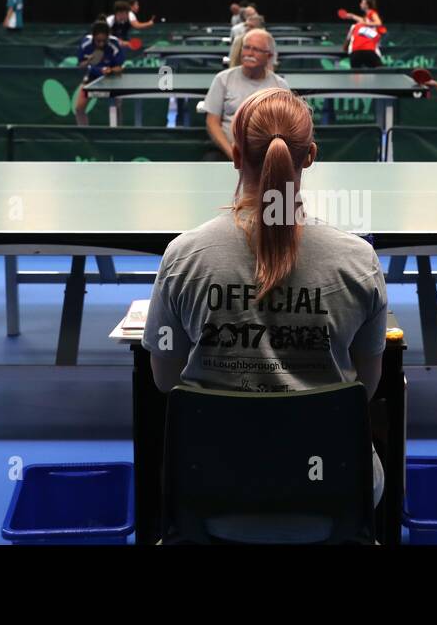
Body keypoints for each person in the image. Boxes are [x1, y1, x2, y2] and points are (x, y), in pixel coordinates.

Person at [142, 87, 389, 519]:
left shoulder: (183, 256)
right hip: (332, 484)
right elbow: (365, 387)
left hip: (212, 483)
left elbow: (165, 379)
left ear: (236, 156)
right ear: (309, 156)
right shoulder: (359, 260)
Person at [204, 29, 289, 158]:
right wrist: (232, 153)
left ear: (269, 56)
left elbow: (285, 127)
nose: (249, 53)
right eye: (246, 48)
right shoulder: (223, 79)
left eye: (256, 50)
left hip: (266, 155)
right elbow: (212, 122)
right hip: (226, 152)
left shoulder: (280, 86)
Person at [75, 20, 125, 126]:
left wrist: (110, 70)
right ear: (93, 36)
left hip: (112, 77)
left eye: (104, 40)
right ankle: (84, 135)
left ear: (108, 36)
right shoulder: (86, 44)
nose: (101, 43)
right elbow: (80, 65)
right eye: (98, 41)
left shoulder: (114, 44)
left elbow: (119, 68)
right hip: (92, 76)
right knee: (79, 108)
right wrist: (88, 61)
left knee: (116, 106)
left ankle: (117, 133)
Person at [340, 0, 385, 68]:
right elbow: (362, 20)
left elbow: (378, 23)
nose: (360, 4)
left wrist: (364, 24)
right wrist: (351, 16)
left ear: (367, 5)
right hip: (366, 48)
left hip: (368, 46)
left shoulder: (372, 13)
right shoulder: (367, 16)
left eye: (362, 3)